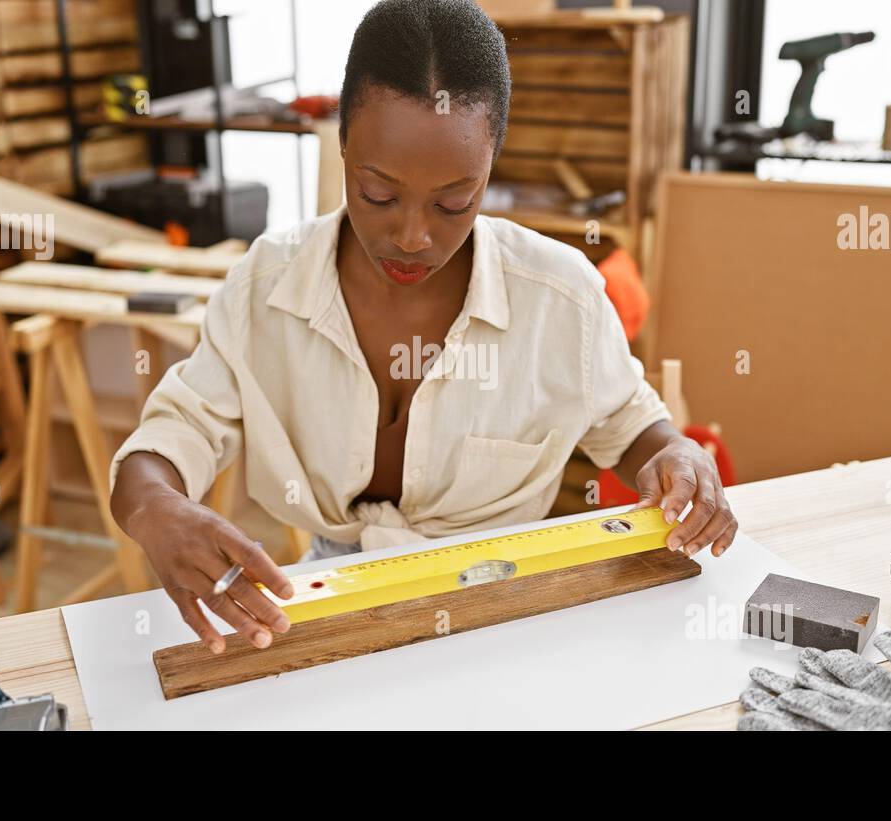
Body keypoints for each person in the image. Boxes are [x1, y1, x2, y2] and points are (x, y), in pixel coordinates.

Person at [110, 0, 736, 654]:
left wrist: (677, 457)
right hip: (332, 599)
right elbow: (170, 438)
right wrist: (158, 509)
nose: (412, 236)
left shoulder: (559, 296)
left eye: (454, 202)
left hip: (501, 605)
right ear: (343, 144)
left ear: (491, 161)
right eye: (378, 193)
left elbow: (634, 428)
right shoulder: (265, 286)